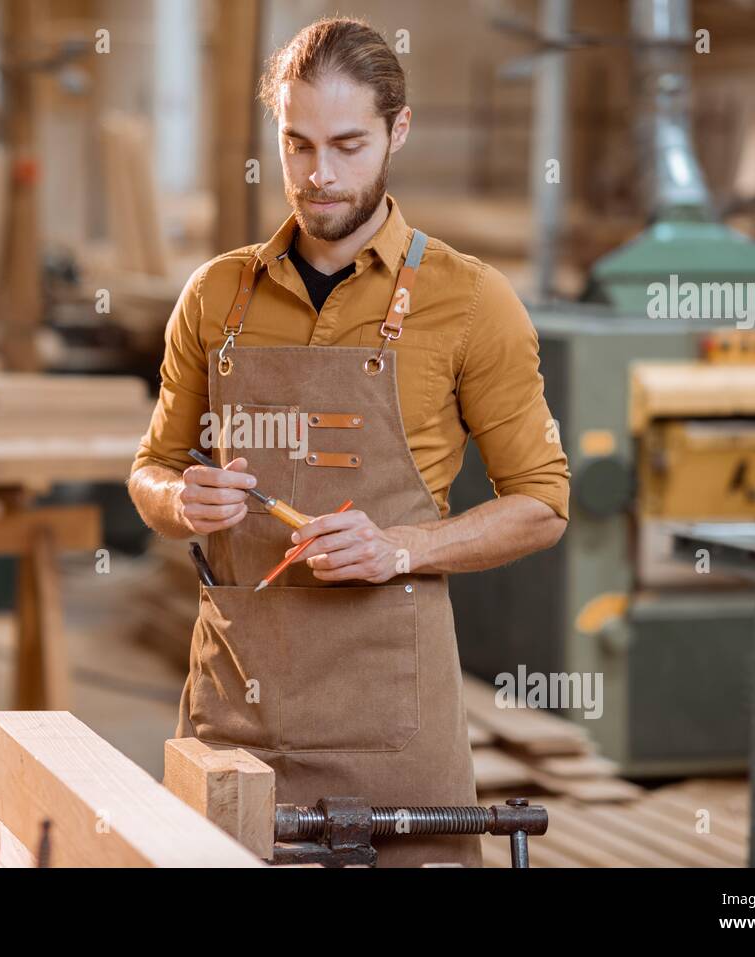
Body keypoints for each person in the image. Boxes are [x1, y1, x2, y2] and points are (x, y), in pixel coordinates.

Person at [127, 16, 569, 866]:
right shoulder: (214, 295)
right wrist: (181, 499)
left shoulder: (473, 303)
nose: (319, 175)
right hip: (234, 716)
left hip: (392, 725)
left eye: (347, 145)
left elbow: (542, 505)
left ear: (398, 132)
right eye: (296, 145)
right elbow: (151, 468)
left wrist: (399, 549)